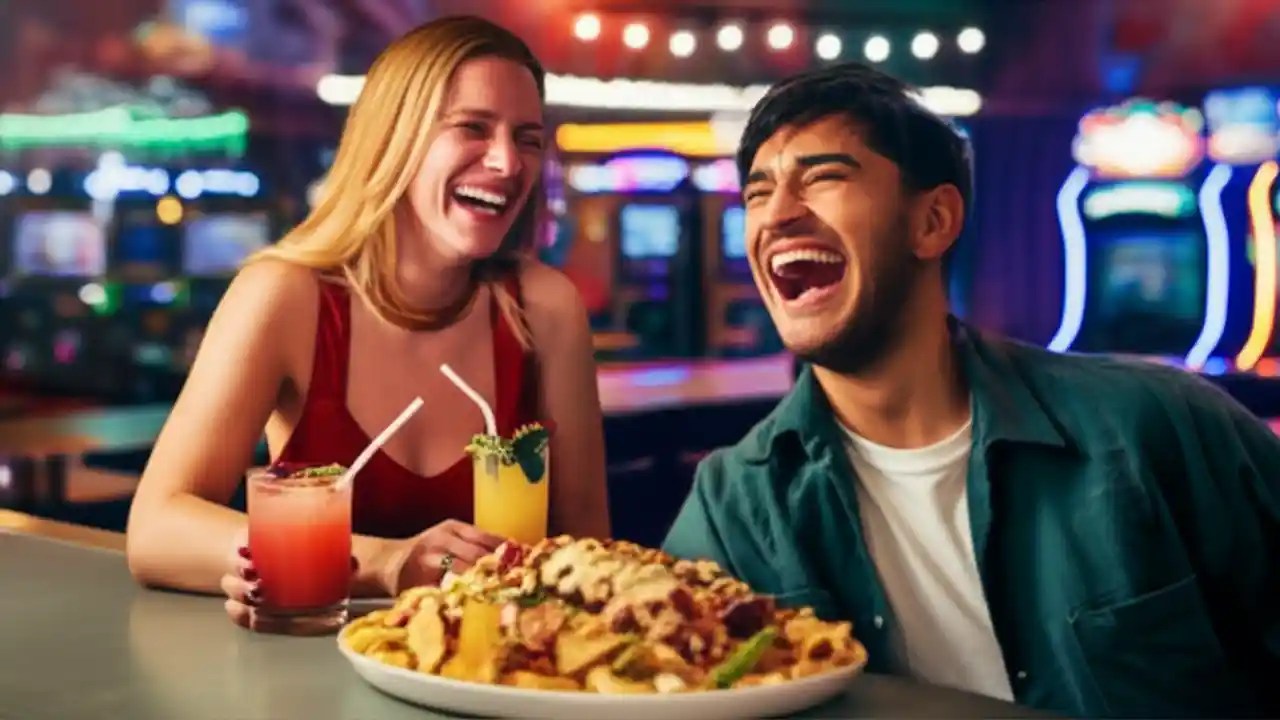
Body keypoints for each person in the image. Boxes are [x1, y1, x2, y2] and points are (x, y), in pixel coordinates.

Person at [662, 61, 1279, 718]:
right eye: (757, 194)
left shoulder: (1158, 426)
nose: (777, 215)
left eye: (823, 178)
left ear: (933, 222)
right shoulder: (735, 505)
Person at [126, 16, 611, 628]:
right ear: (394, 138)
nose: (508, 162)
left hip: (495, 677)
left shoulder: (545, 310)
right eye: (472, 128)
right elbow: (154, 528)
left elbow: (590, 548)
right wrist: (383, 562)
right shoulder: (285, 295)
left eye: (529, 138)